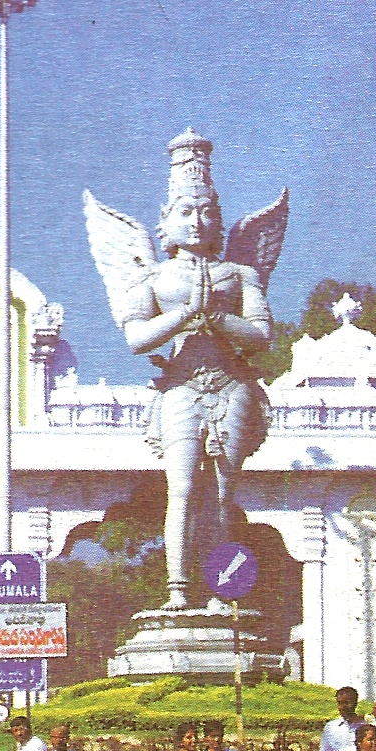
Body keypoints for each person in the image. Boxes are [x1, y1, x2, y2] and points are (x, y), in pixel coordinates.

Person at [85, 130, 288, 609]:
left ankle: (221, 592)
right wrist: (183, 316)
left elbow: (262, 334)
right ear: (165, 222)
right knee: (181, 488)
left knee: (220, 493)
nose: (197, 222)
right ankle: (178, 592)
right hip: (181, 388)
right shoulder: (152, 275)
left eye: (207, 212)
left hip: (231, 387)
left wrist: (216, 317)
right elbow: (136, 338)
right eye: (186, 211)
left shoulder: (239, 274)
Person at [319, 687, 364, 751]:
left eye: (347, 703)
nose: (342, 707)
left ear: (355, 703)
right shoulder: (331, 728)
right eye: (340, 703)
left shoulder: (366, 727)